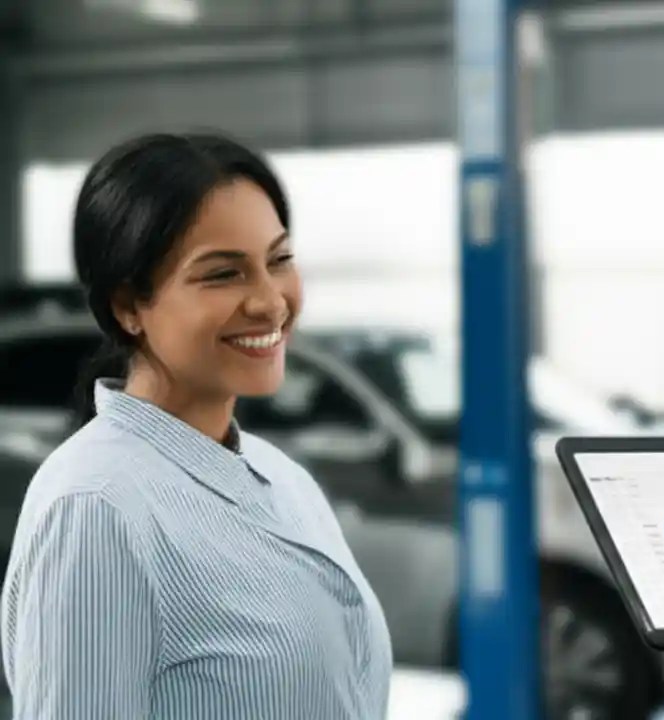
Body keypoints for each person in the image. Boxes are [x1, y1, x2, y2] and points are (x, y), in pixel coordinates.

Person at [0, 133, 393, 717]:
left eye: (278, 260)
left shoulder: (282, 480)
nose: (270, 302)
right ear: (129, 305)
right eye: (222, 275)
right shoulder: (96, 507)